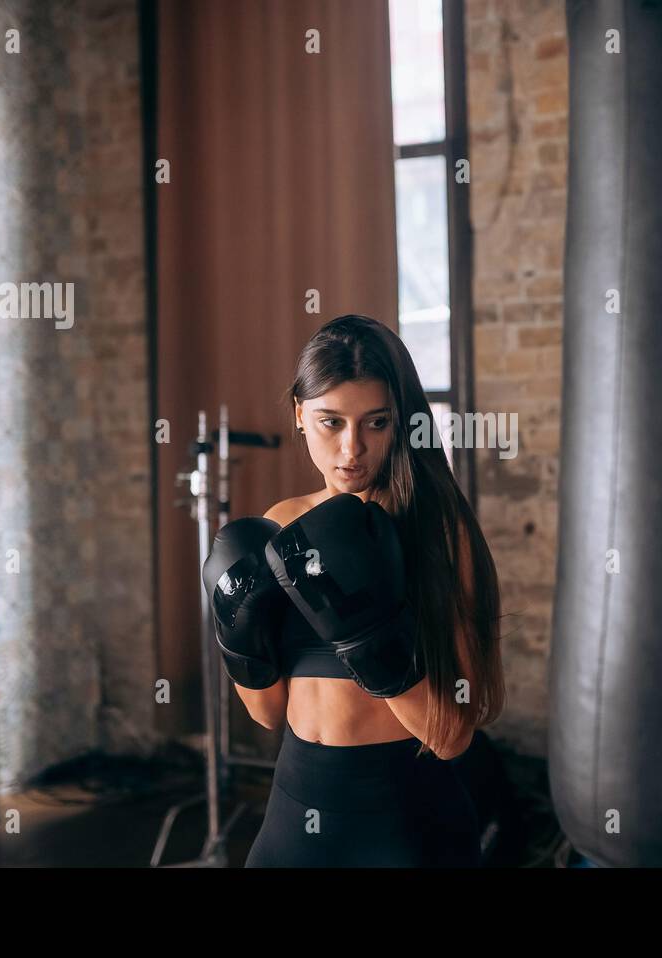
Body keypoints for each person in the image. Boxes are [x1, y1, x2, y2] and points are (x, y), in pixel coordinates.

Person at [202, 314, 506, 867]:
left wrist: (363, 631)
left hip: (403, 820)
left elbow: (452, 737)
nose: (352, 449)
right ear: (299, 414)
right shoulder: (281, 525)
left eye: (376, 422)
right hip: (294, 808)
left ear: (402, 422)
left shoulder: (436, 531)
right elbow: (269, 714)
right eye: (330, 422)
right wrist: (235, 634)